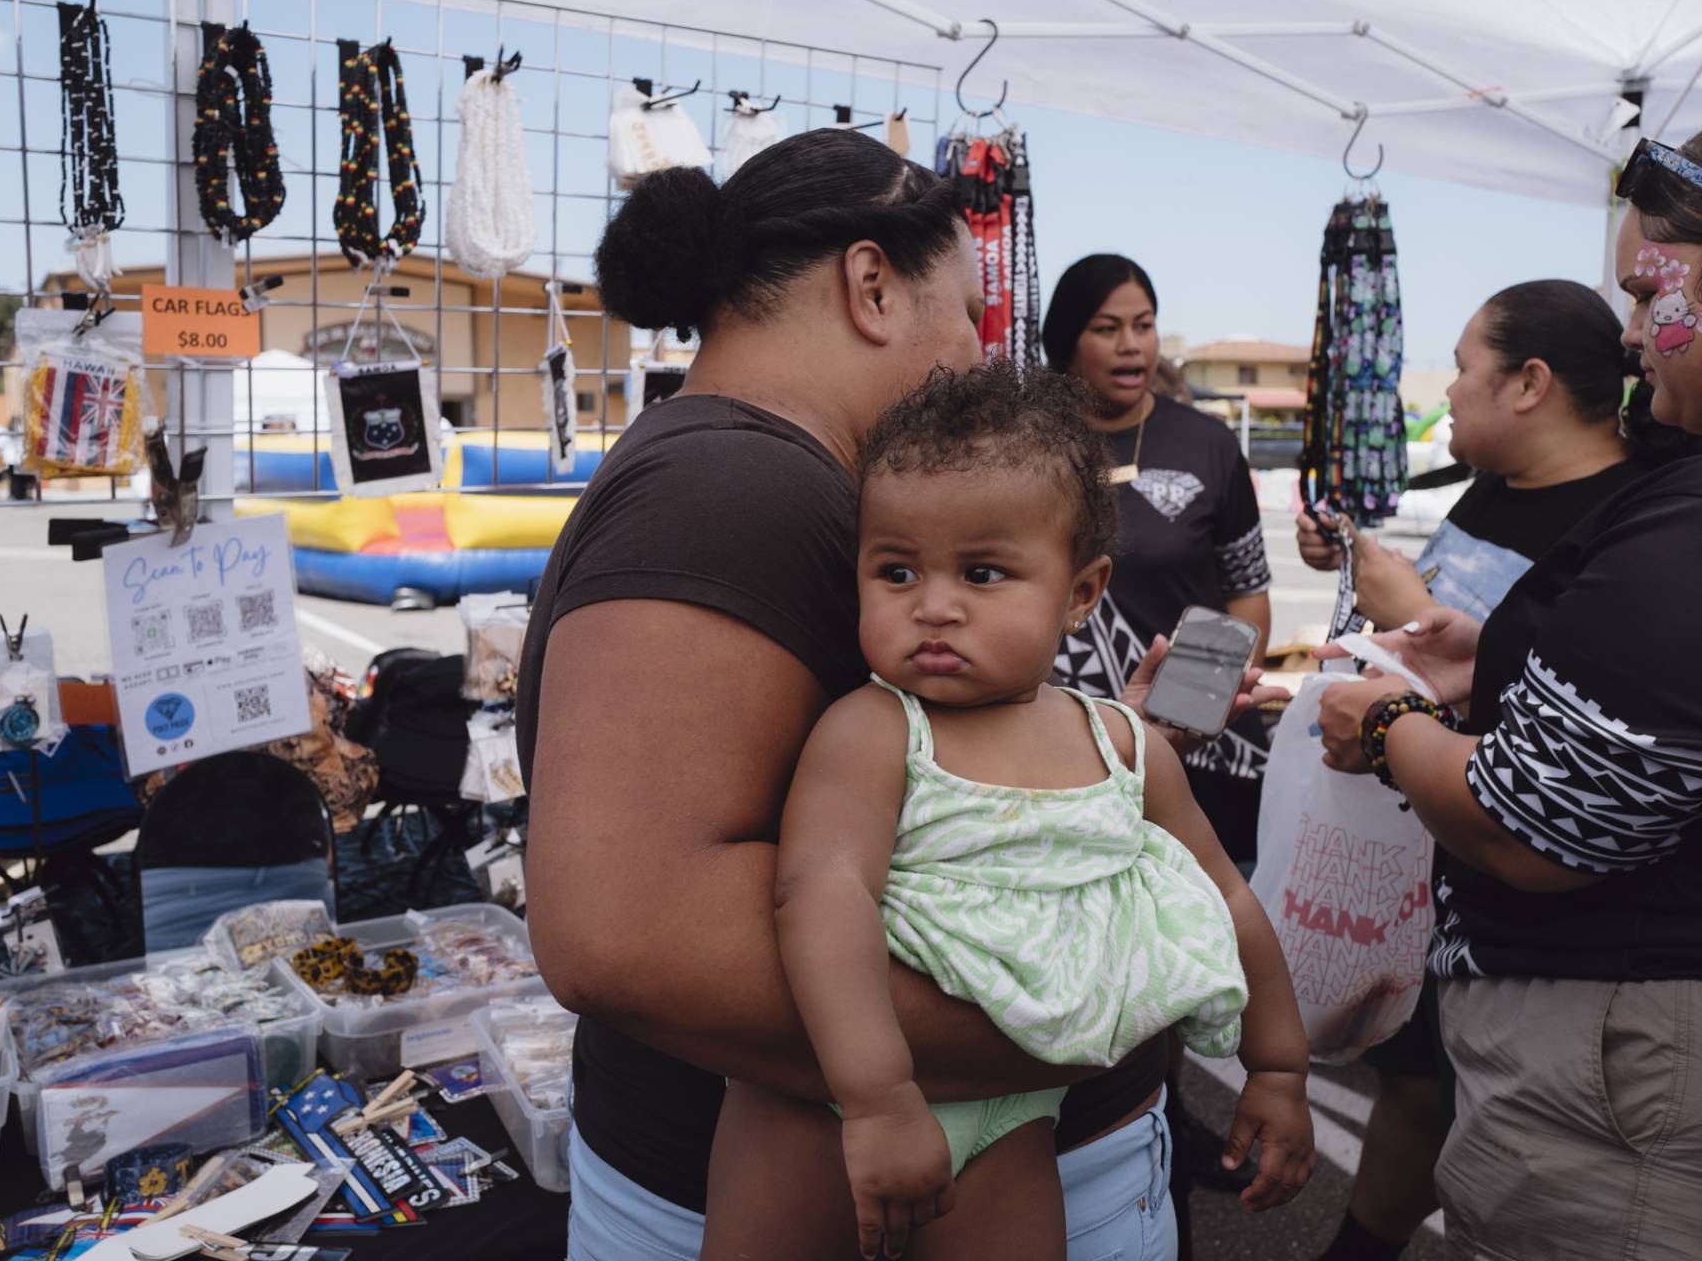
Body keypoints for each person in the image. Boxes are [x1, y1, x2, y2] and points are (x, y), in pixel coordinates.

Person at [519, 130, 1285, 1261]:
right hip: (823, 1180)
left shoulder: (769, 472)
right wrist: (1077, 1019)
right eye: (972, 315)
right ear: (873, 284)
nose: (979, 355)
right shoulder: (739, 484)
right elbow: (629, 931)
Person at [1312, 40, 1702, 1259]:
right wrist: (1502, 655)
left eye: (1646, 291)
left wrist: (1385, 723)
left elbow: (1530, 829)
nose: (1628, 334)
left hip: (1662, 1108)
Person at [700, 363, 1315, 1260]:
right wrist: (877, 1099)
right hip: (823, 1106)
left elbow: (1226, 900)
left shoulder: (1123, 744)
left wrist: (1278, 1065)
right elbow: (819, 895)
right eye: (897, 570)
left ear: (1080, 593)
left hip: (1015, 1127)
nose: (935, 606)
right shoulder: (876, 730)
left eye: (983, 573)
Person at [1292, 280, 1677, 1260]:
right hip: (1426, 849)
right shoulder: (1495, 484)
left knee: (1477, 1116)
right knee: (1416, 1078)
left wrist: (1405, 603)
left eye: (1466, 366)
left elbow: (1570, 733)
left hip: (1526, 898)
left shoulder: (1634, 521)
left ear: (1529, 382)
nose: (1452, 390)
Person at [1042, 253, 1276, 1251]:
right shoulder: (1025, 441)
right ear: (1065, 340)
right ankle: (1100, 1130)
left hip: (1190, 750)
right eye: (1108, 325)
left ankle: (1158, 1131)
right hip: (1056, 754)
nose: (1133, 343)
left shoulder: (1205, 443)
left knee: (1172, 944)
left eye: (1145, 322)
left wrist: (1210, 698)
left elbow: (1249, 592)